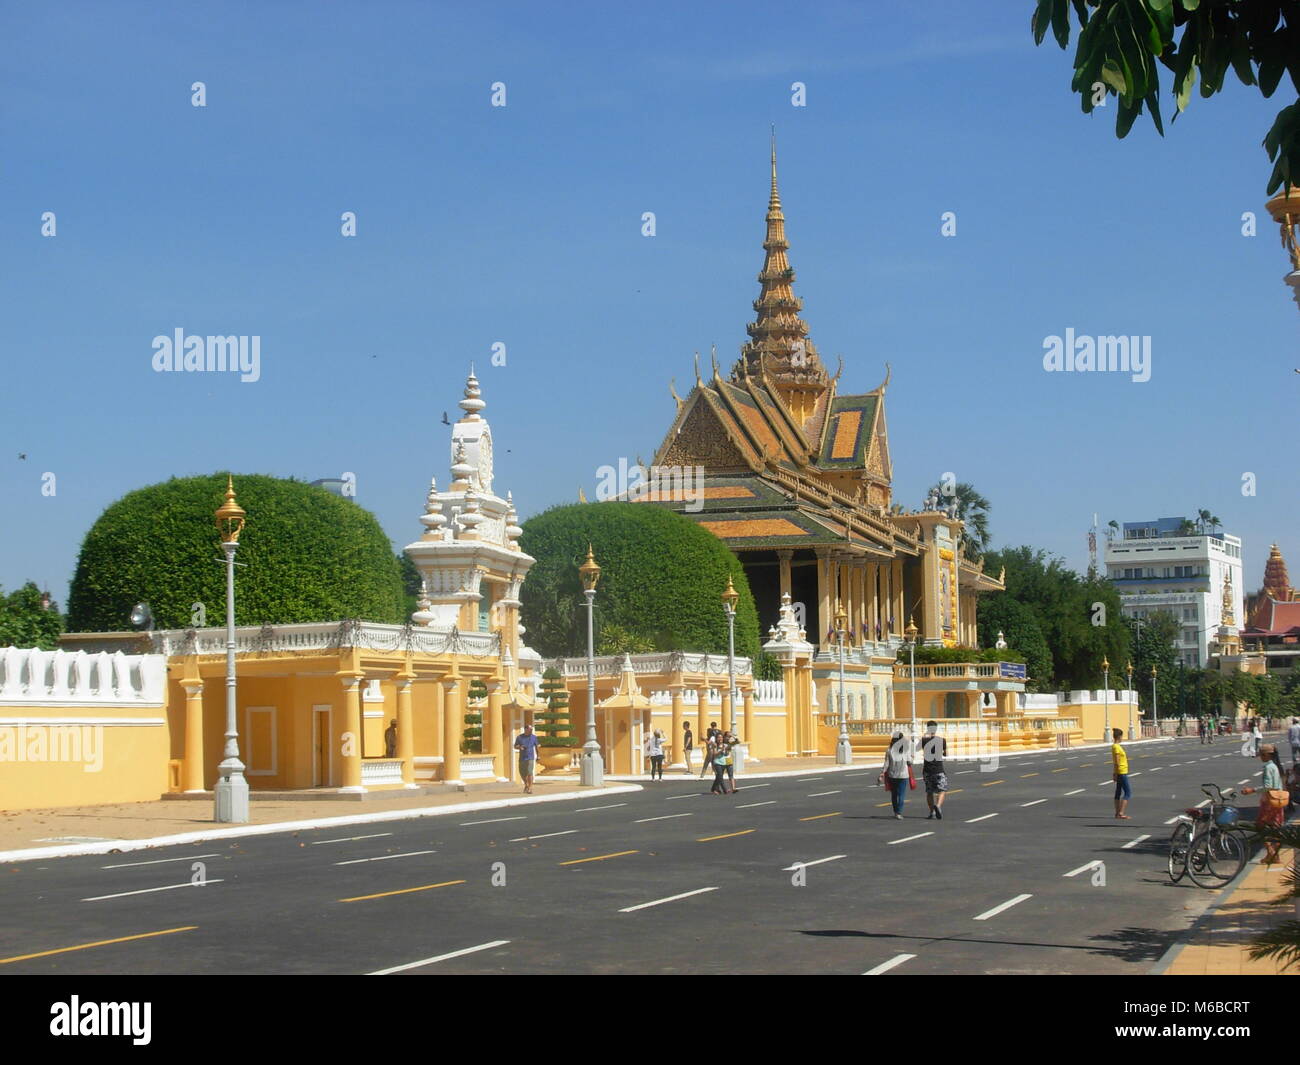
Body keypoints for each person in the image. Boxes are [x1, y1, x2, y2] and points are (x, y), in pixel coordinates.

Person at [1241, 743, 1286, 864]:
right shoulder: (1276, 766)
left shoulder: (1268, 767)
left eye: (1261, 755)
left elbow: (1269, 786)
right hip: (1279, 800)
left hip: (1269, 802)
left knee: (1260, 827)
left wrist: (1252, 790)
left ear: (1266, 755)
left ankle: (1270, 852)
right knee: (1276, 828)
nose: (1260, 757)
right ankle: (1274, 855)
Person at [878, 730, 912, 819]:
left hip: (892, 775)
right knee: (901, 794)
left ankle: (895, 811)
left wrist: (882, 773)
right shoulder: (905, 749)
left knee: (894, 794)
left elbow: (886, 763)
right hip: (903, 775)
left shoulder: (889, 750)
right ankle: (899, 813)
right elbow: (910, 762)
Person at [921, 720, 949, 820]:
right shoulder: (942, 740)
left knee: (929, 792)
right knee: (942, 790)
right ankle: (938, 805)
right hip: (938, 769)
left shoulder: (924, 740)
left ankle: (931, 811)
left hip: (927, 770)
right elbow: (946, 754)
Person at [514, 723, 540, 795]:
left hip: (530, 757)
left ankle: (530, 788)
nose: (531, 730)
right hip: (522, 758)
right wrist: (520, 747)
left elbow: (537, 747)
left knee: (529, 772)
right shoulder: (519, 737)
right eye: (530, 729)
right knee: (522, 773)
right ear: (525, 729)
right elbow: (515, 746)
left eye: (531, 729)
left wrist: (538, 756)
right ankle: (526, 785)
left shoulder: (534, 737)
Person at [1111, 727, 1131, 820]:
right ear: (1119, 736)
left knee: (1118, 792)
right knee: (1128, 792)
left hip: (1120, 771)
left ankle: (1117, 813)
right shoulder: (1116, 747)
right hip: (1121, 772)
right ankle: (1121, 812)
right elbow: (1117, 761)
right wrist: (1115, 773)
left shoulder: (1116, 746)